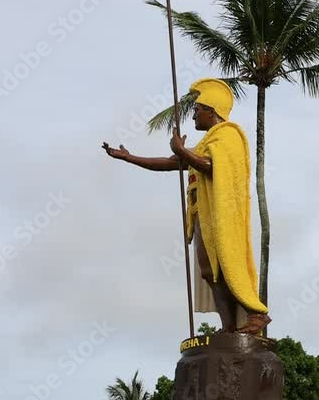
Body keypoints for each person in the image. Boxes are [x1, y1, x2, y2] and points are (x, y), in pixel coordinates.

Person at [102, 78, 270, 335]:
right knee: (208, 271)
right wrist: (129, 157)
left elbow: (214, 167)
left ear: (211, 111)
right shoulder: (205, 145)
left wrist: (182, 151)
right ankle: (228, 328)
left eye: (197, 110)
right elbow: (170, 163)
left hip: (221, 216)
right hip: (203, 215)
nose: (193, 116)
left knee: (228, 265)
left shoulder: (229, 135)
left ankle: (256, 315)